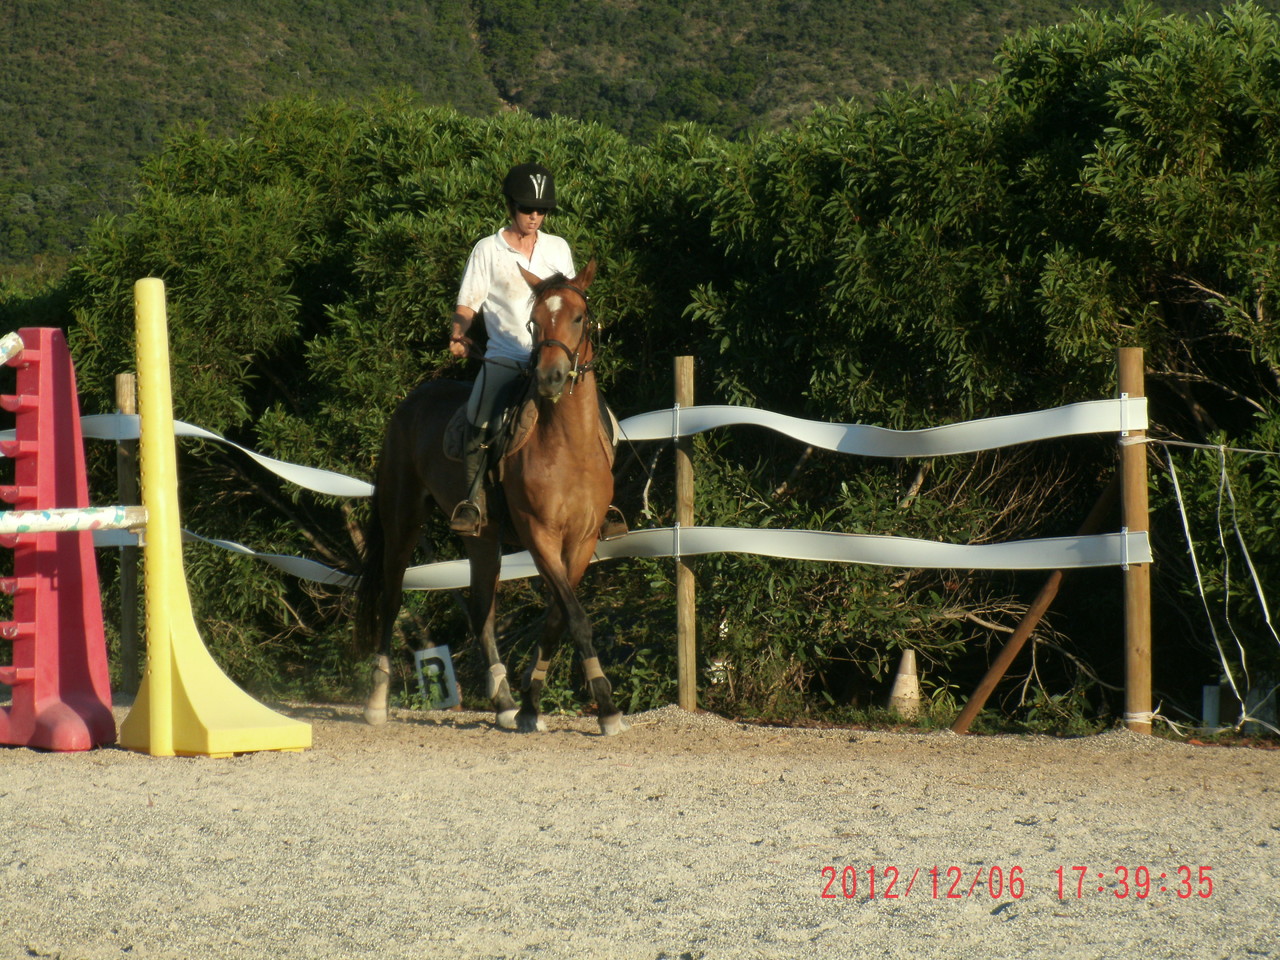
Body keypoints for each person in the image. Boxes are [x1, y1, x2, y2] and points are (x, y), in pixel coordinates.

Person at [447, 162, 576, 535]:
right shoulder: (488, 250)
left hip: (552, 354)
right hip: (507, 355)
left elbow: (567, 301)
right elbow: (467, 304)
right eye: (526, 209)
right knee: (480, 414)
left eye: (541, 210)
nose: (534, 216)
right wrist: (458, 334)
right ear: (510, 207)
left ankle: (607, 500)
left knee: (600, 417)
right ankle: (471, 502)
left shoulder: (558, 248)